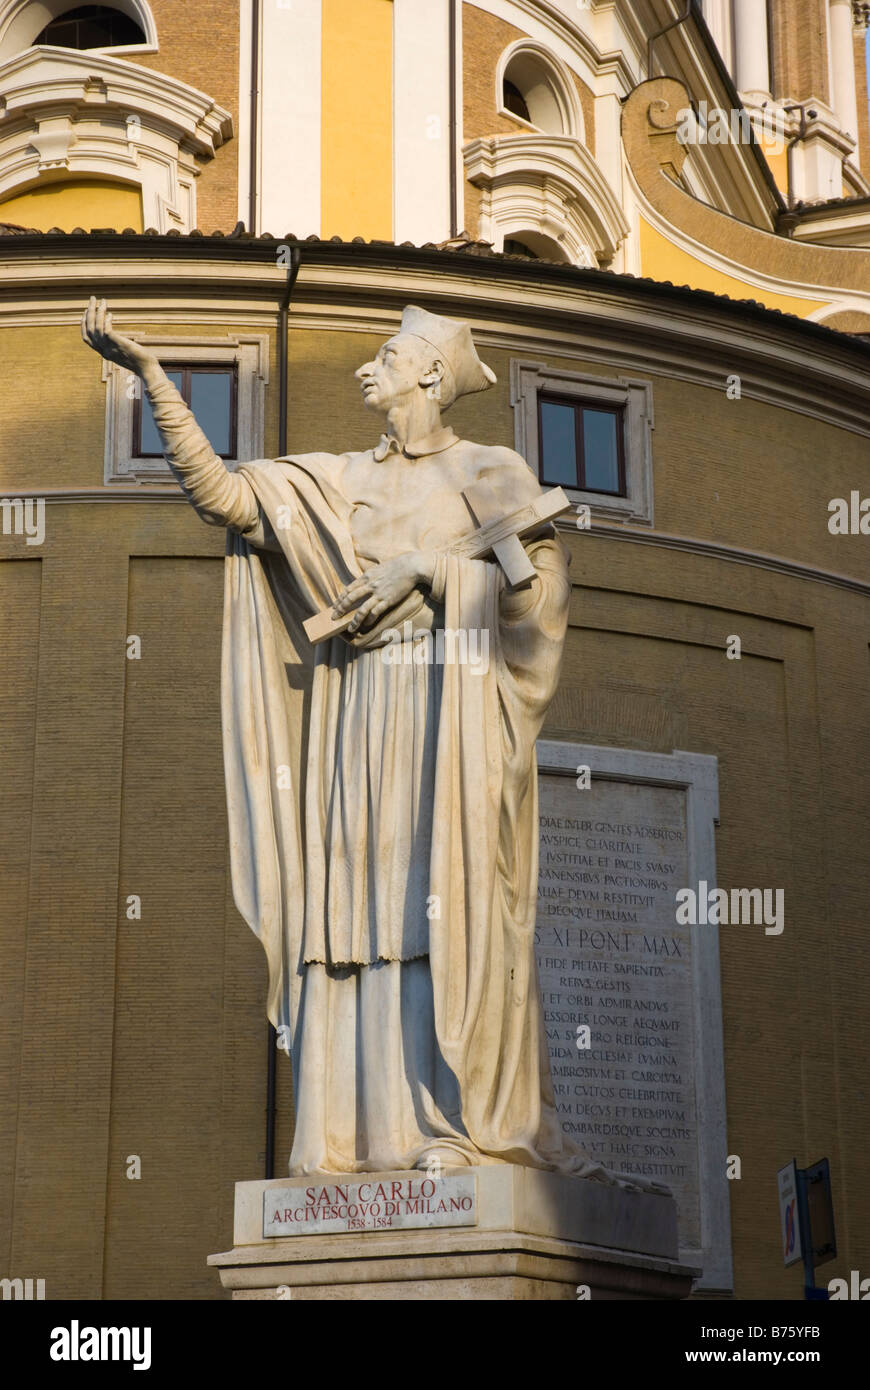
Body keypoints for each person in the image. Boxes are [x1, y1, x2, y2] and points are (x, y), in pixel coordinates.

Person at [81, 296, 638, 1185]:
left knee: (446, 900)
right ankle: (352, 1137)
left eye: (385, 355)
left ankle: (450, 1121)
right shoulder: (335, 480)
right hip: (357, 715)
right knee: (357, 913)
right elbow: (224, 498)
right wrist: (155, 380)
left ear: (427, 372)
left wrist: (429, 570)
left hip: (449, 713)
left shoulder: (493, 470)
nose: (363, 369)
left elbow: (537, 598)